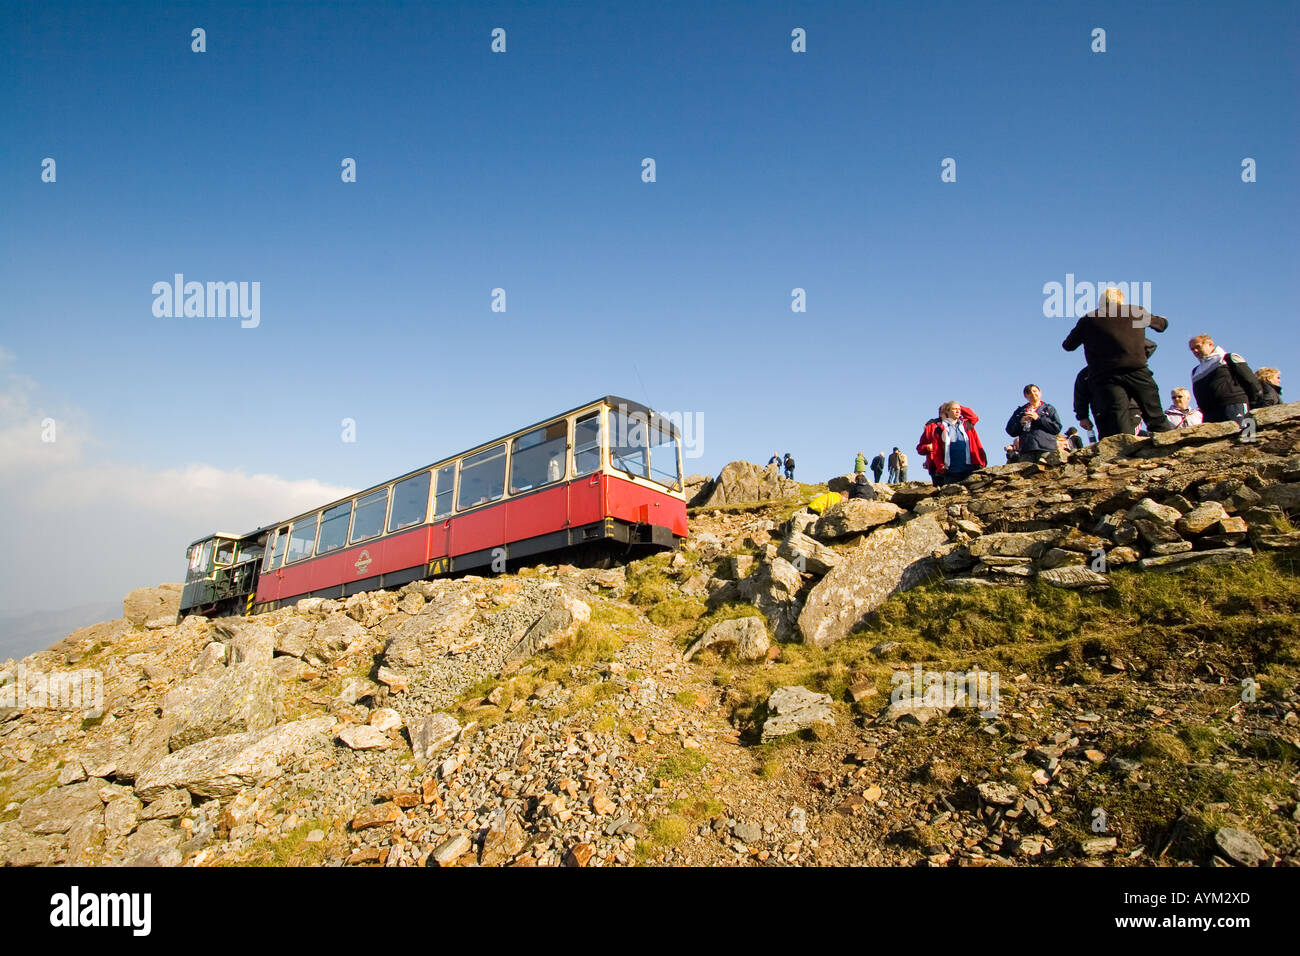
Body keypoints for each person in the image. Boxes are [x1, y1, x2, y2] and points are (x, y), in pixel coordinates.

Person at [1063, 287, 1173, 437]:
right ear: (1121, 299)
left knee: (1118, 418)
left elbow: (1068, 345)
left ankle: (1125, 454)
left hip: (1105, 375)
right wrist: (1163, 319)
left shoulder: (1089, 319)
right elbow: (1161, 325)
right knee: (1153, 411)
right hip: (1136, 369)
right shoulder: (1135, 311)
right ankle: (1168, 442)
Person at [1189, 334, 1263, 424]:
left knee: (1244, 436)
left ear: (1210, 344)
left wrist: (1255, 404)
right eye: (1192, 349)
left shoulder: (1228, 358)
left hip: (1234, 405)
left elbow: (1250, 381)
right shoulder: (1195, 371)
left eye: (1198, 347)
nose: (1195, 351)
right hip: (1209, 414)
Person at [917, 401, 987, 486]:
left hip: (969, 466)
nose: (957, 411)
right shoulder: (934, 428)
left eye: (958, 410)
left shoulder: (965, 424)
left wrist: (956, 406)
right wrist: (928, 449)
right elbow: (930, 449)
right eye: (954, 409)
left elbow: (974, 417)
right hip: (943, 468)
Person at [1005, 384, 1062, 463]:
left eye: (1035, 391)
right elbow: (1010, 430)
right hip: (1026, 450)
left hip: (1046, 449)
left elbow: (1057, 428)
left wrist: (1038, 419)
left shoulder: (1049, 409)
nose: (1032, 394)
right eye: (1029, 393)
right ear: (1025, 396)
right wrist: (1020, 423)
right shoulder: (1020, 412)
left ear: (1040, 392)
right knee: (1026, 474)